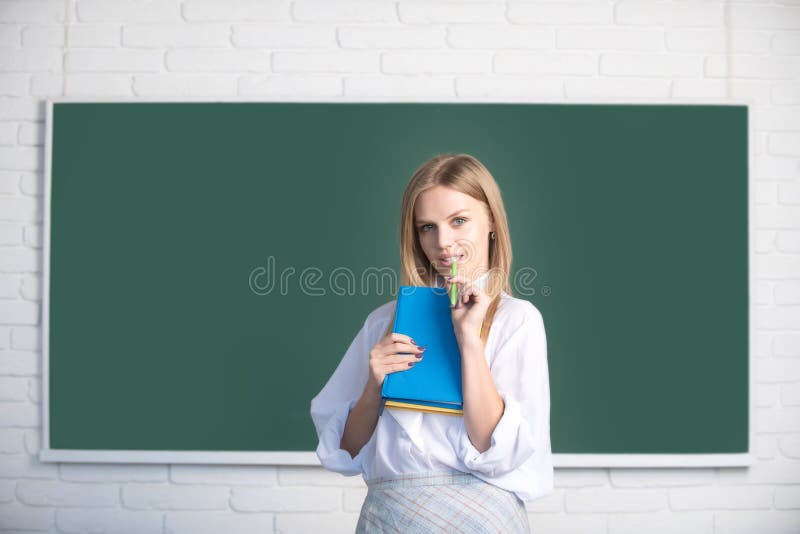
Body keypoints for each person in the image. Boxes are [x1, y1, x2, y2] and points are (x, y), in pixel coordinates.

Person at [310, 153, 553, 533]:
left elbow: (495, 449)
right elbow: (346, 451)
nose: (443, 243)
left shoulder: (516, 320)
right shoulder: (384, 323)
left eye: (458, 221)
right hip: (388, 518)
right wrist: (374, 386)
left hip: (479, 520)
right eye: (427, 227)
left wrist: (469, 340)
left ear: (490, 220)